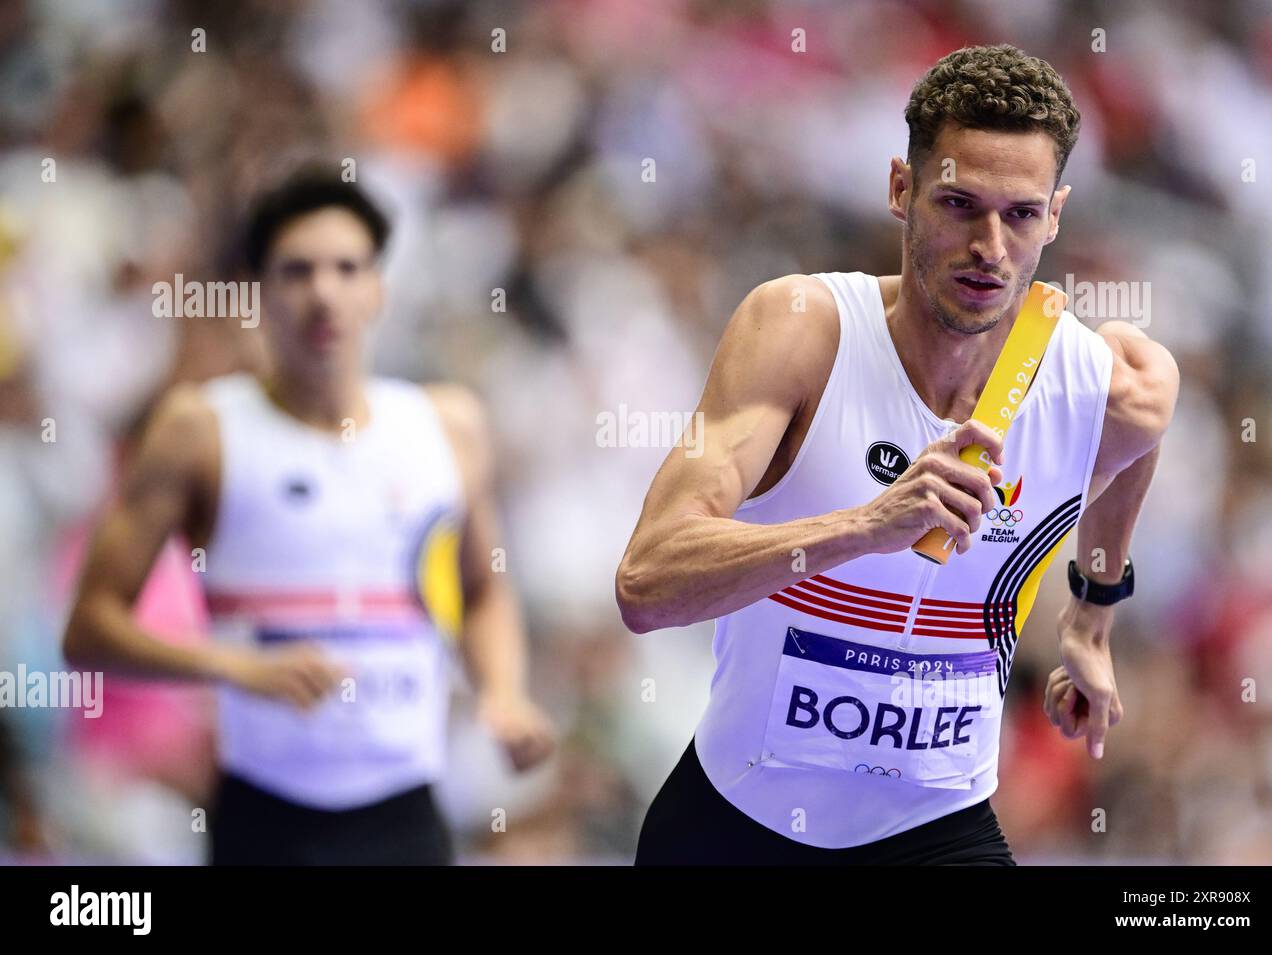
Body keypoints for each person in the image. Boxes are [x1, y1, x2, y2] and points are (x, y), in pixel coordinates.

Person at [617, 44, 1179, 865]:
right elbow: (646, 584)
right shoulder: (804, 330)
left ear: (1054, 216)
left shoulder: (1106, 387)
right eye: (958, 203)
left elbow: (1142, 436)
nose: (990, 245)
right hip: (740, 821)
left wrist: (1091, 618)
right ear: (900, 189)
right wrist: (866, 525)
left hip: (935, 831)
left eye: (1020, 214)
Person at [62, 169, 554, 865]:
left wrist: (503, 693)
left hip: (408, 808)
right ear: (259, 293)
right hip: (267, 811)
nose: (324, 293)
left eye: (348, 268)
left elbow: (483, 586)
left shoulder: (446, 425)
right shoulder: (201, 430)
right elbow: (88, 630)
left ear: (379, 289)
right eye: (297, 271)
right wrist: (232, 665)